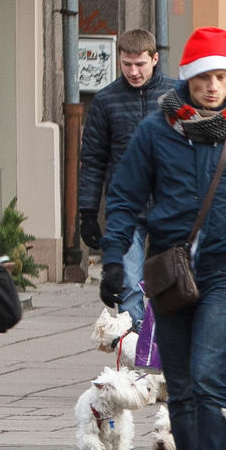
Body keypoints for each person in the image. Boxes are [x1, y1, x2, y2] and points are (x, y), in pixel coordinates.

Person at [100, 27, 226, 450]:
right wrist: (114, 259)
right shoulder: (156, 131)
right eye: (203, 78)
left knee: (207, 372)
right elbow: (126, 197)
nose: (213, 86)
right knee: (179, 379)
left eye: (222, 76)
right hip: (169, 271)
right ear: (188, 80)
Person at [78, 28, 180, 332]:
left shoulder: (175, 96)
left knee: (172, 283)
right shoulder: (106, 101)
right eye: (127, 64)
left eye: (140, 64)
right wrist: (87, 212)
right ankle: (135, 349)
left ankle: (167, 348)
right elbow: (93, 161)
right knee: (128, 282)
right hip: (127, 207)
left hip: (169, 205)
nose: (133, 72)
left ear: (155, 59)